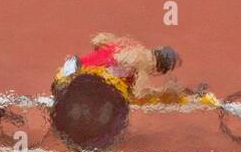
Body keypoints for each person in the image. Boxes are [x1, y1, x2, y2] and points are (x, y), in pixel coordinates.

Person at [55, 34, 196, 104]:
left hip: (72, 65)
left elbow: (98, 39)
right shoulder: (145, 63)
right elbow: (139, 94)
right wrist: (164, 92)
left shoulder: (133, 46)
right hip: (79, 80)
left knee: (121, 88)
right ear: (160, 68)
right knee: (121, 98)